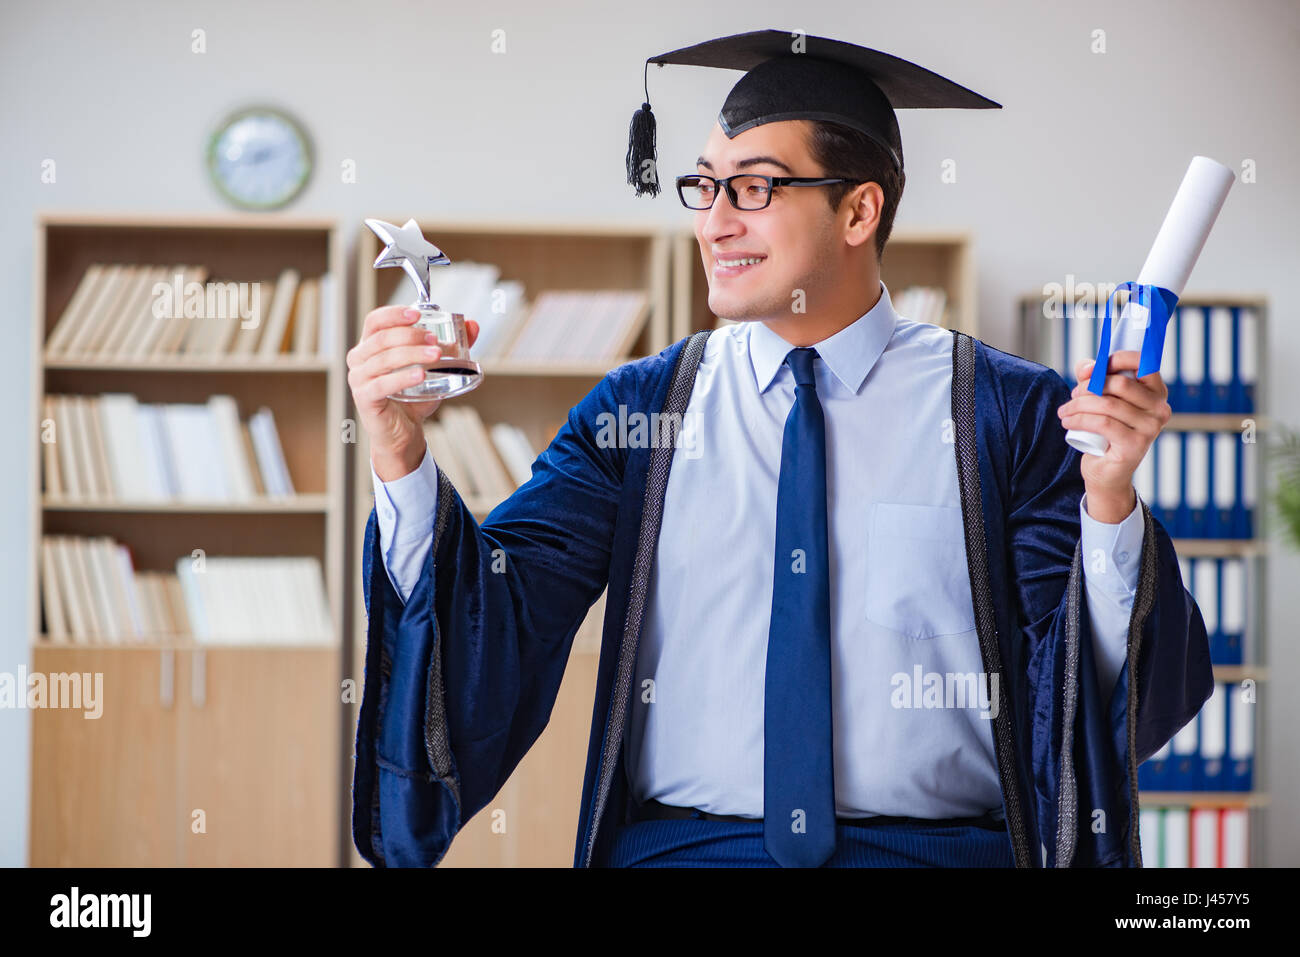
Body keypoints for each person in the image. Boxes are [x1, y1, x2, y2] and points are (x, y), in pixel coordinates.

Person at [347, 29, 1212, 868]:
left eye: (754, 188)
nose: (715, 222)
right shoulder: (640, 412)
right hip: (685, 853)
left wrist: (1108, 503)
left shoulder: (1006, 413)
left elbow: (1089, 700)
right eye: (703, 186)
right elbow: (495, 617)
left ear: (859, 208)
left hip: (933, 855)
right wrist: (399, 456)